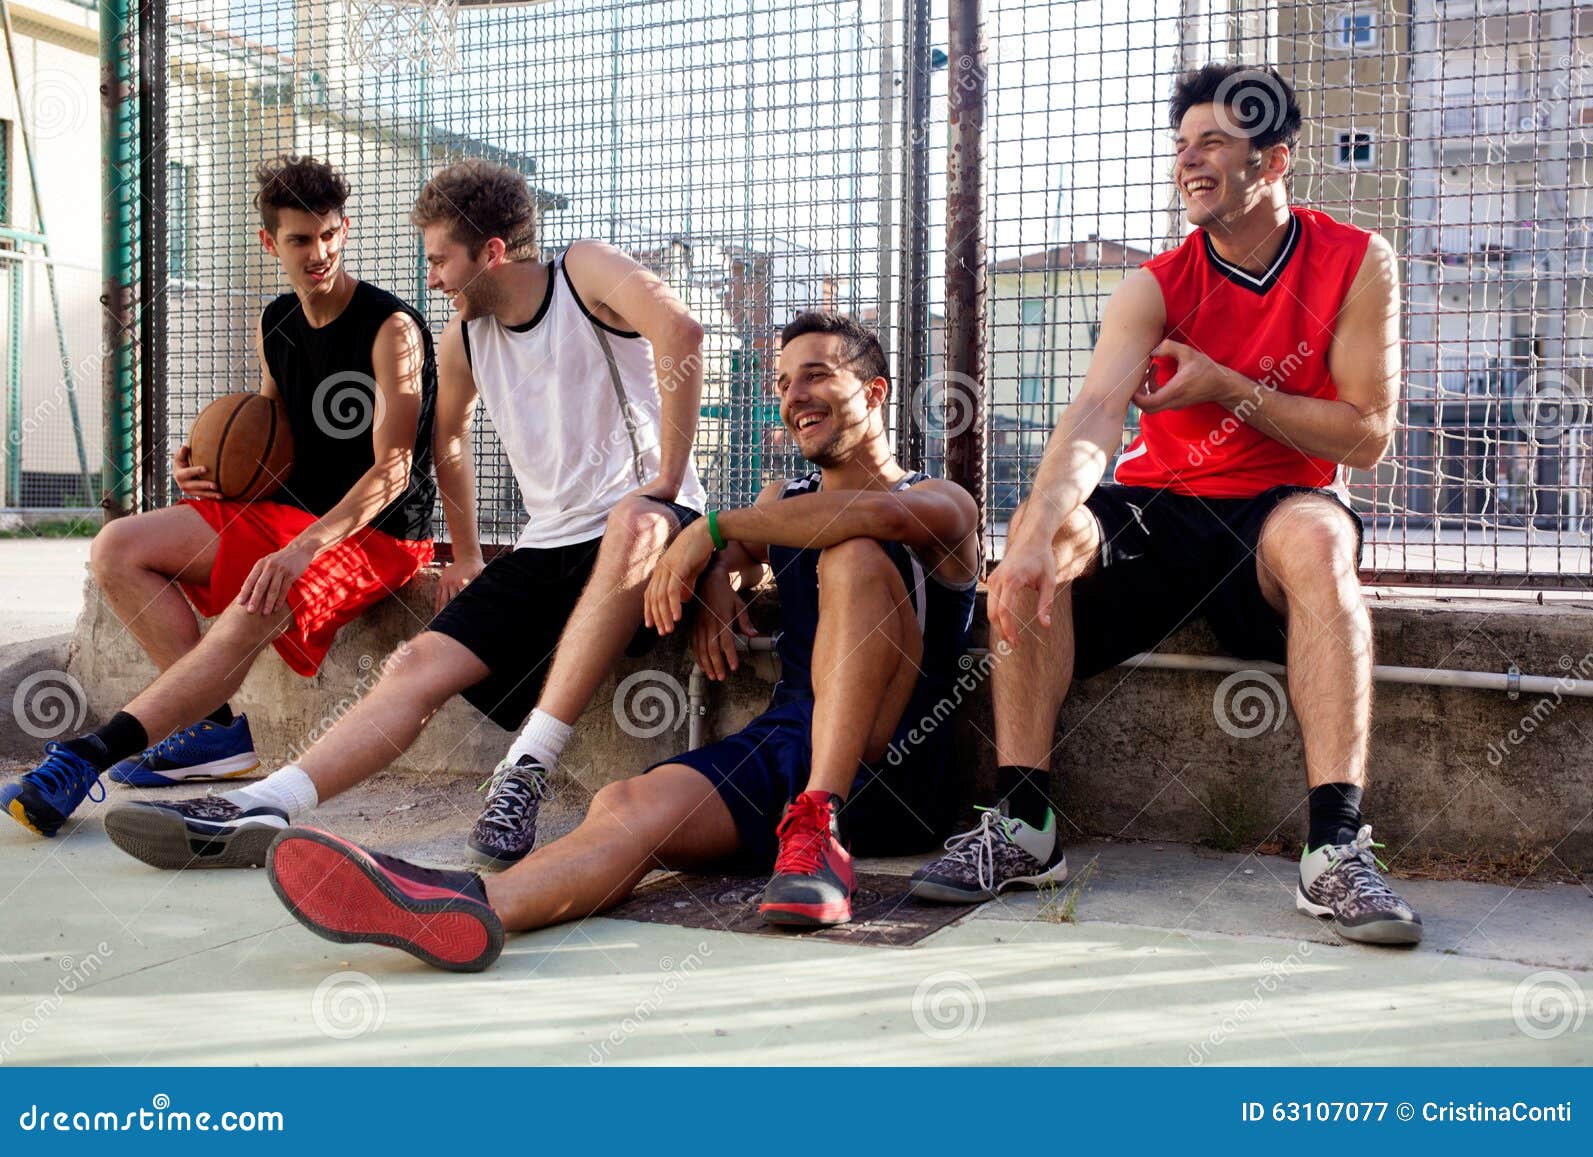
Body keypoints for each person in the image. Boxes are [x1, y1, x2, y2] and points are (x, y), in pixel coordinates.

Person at [260, 311, 980, 972]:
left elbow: (874, 519)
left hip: (893, 775)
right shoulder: (777, 504)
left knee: (852, 552)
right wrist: (717, 578)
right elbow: (763, 539)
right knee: (628, 804)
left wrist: (713, 530)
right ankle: (466, 905)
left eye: (818, 374)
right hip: (784, 746)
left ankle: (822, 823)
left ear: (877, 391)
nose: (796, 395)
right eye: (785, 382)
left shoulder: (943, 504)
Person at [910, 64, 1420, 947]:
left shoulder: (1356, 259)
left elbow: (1366, 435)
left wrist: (1228, 387)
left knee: (1320, 541)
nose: (1191, 162)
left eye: (1215, 142)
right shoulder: (1155, 284)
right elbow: (1095, 416)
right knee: (1053, 535)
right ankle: (1024, 825)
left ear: (1275, 159)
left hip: (1278, 509)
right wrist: (1030, 532)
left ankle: (1335, 848)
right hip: (1158, 509)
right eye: (1182, 146)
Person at [102, 159, 707, 871]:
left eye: (440, 258)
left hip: (647, 528)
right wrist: (471, 555)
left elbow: (682, 332)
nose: (433, 278)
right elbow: (445, 440)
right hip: (551, 547)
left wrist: (667, 481)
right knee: (417, 661)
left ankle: (523, 771)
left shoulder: (584, 269)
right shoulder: (464, 339)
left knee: (633, 522)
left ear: (491, 252)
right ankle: (265, 802)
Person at [2, 156, 436, 840]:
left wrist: (299, 551)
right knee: (118, 546)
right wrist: (209, 468)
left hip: (374, 532)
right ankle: (213, 732)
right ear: (272, 244)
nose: (318, 253)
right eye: (300, 239)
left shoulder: (392, 329)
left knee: (254, 602)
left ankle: (88, 755)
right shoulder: (278, 322)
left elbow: (393, 470)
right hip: (288, 514)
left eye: (328, 235)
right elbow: (271, 436)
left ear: (344, 230)